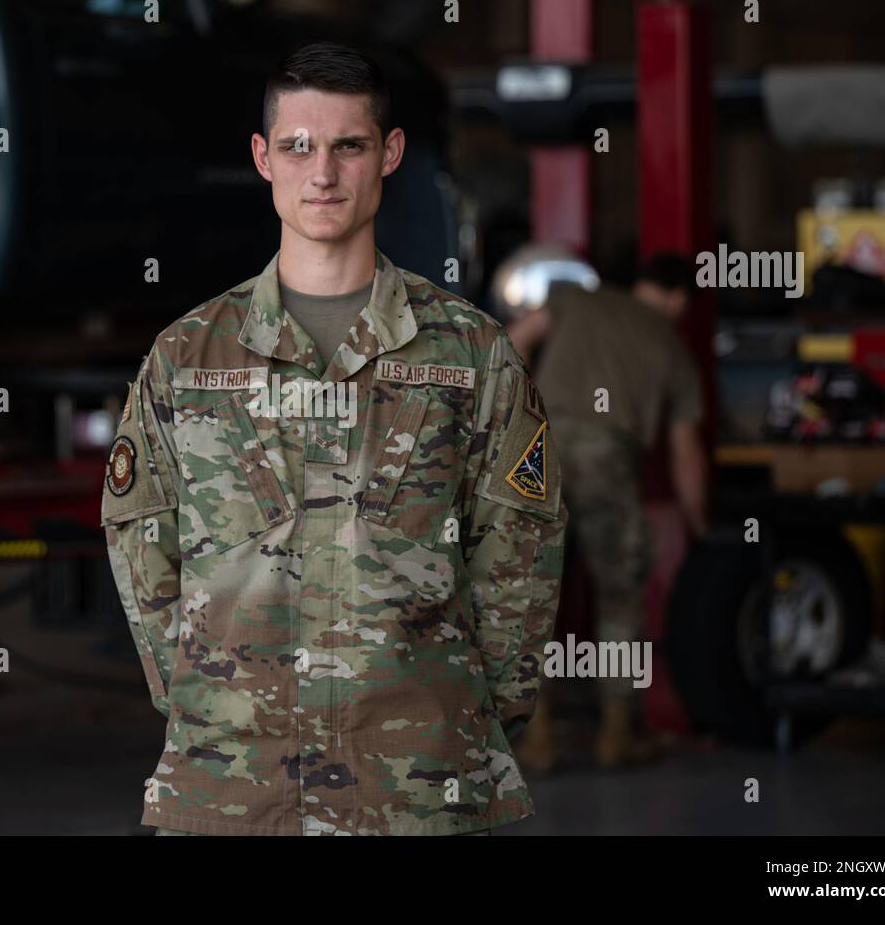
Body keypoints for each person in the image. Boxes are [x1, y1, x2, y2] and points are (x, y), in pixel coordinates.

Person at [102, 41, 567, 836]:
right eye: (298, 147)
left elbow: (520, 555)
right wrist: (203, 697)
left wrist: (461, 716)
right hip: (232, 791)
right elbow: (141, 540)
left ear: (389, 154)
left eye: (348, 146)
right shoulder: (187, 356)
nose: (322, 174)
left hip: (417, 792)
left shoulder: (470, 353)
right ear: (263, 158)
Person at [506, 253, 707, 771]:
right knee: (619, 595)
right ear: (679, 299)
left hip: (537, 446)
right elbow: (686, 453)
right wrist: (701, 527)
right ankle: (617, 734)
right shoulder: (673, 347)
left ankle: (538, 738)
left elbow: (514, 340)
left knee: (531, 595)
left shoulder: (574, 299)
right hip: (605, 457)